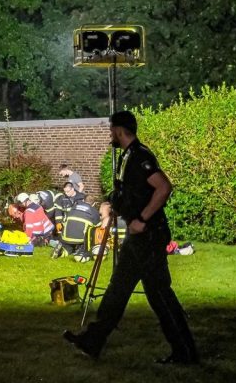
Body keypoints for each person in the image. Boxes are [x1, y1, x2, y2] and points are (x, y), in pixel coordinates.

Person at [64, 111, 199, 365]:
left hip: (148, 236)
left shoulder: (140, 156)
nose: (110, 134)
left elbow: (163, 187)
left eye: (111, 129)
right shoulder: (127, 157)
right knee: (118, 289)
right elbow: (131, 191)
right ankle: (93, 340)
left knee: (159, 295)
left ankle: (185, 352)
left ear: (119, 130)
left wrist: (143, 219)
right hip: (138, 238)